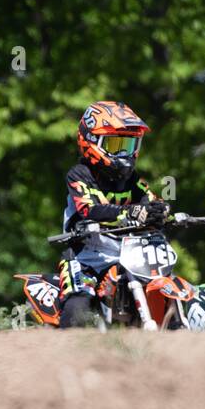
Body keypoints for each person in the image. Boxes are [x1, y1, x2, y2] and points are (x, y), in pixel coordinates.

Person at [59, 100, 165, 291]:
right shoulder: (80, 174)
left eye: (129, 144)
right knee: (77, 308)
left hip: (130, 255)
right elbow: (88, 209)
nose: (124, 153)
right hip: (87, 257)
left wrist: (161, 211)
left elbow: (150, 200)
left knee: (162, 286)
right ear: (91, 140)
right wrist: (129, 212)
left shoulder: (132, 179)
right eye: (116, 145)